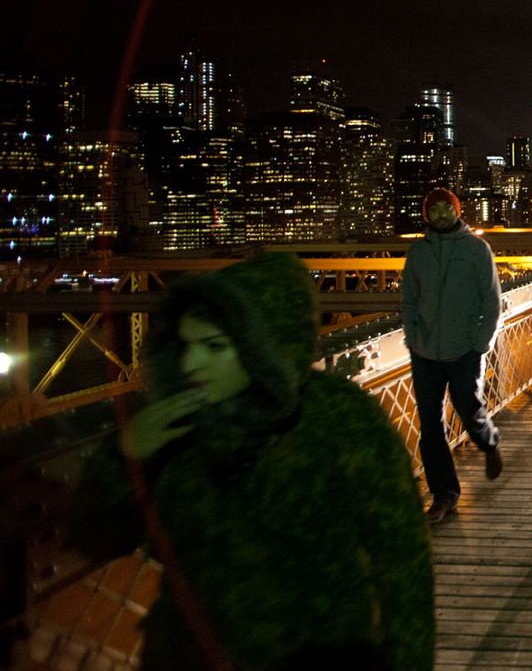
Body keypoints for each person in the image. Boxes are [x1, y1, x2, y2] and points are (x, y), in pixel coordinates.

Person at [71, 253, 434, 670]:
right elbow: (93, 538)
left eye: (214, 347)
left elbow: (402, 563)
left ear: (264, 345)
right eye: (186, 345)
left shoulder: (340, 421)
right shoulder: (169, 427)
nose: (191, 364)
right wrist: (126, 456)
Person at [402, 187, 504, 525]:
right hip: (425, 352)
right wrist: (414, 338)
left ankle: (488, 441)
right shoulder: (417, 253)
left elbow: (492, 300)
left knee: (468, 406)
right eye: (435, 210)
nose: (442, 215)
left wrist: (479, 342)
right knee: (430, 424)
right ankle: (444, 493)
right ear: (426, 215)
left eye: (448, 208)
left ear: (458, 211)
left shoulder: (477, 249)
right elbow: (410, 300)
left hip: (464, 349)